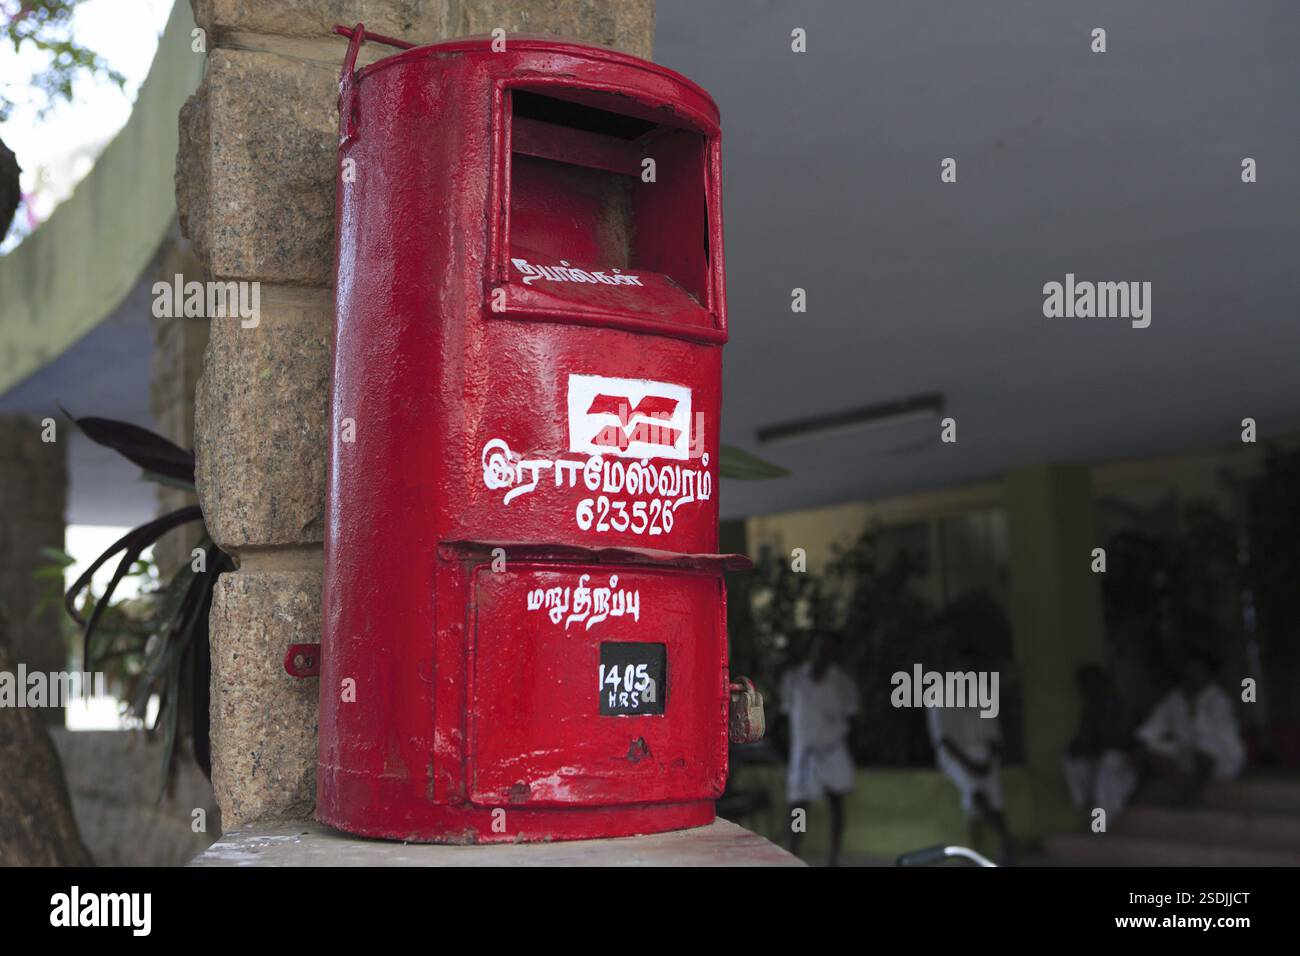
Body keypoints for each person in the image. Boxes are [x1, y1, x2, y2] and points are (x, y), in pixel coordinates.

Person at [781, 634, 858, 866]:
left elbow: (854, 720)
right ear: (811, 649)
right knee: (799, 807)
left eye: (829, 649)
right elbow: (785, 719)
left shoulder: (843, 682)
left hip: (833, 751)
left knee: (836, 805)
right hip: (804, 754)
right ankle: (792, 855)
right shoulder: (794, 679)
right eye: (820, 648)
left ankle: (833, 857)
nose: (824, 653)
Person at [1135, 651, 1246, 803]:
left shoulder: (1219, 700)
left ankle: (1192, 793)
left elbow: (1214, 740)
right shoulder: (1175, 698)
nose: (1192, 675)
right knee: (1149, 752)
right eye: (1189, 670)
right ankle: (1186, 790)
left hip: (1220, 757)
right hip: (1185, 755)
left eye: (1197, 670)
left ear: (1209, 674)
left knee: (1203, 753)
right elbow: (1150, 731)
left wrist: (1194, 710)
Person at [927, 683, 1014, 864]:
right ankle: (1005, 840)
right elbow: (945, 740)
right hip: (956, 758)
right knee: (976, 792)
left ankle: (997, 848)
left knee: (994, 799)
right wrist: (971, 765)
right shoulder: (940, 697)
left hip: (985, 758)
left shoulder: (983, 694)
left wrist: (986, 764)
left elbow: (993, 737)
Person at [1061, 664, 1139, 822]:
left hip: (1123, 761)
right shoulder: (1090, 707)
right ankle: (1085, 804)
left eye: (1089, 683)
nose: (1085, 688)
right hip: (1100, 756)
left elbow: (1124, 740)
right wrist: (1079, 746)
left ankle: (1101, 824)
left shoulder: (1118, 704)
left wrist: (1097, 745)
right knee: (1069, 757)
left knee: (1107, 766)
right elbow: (1085, 737)